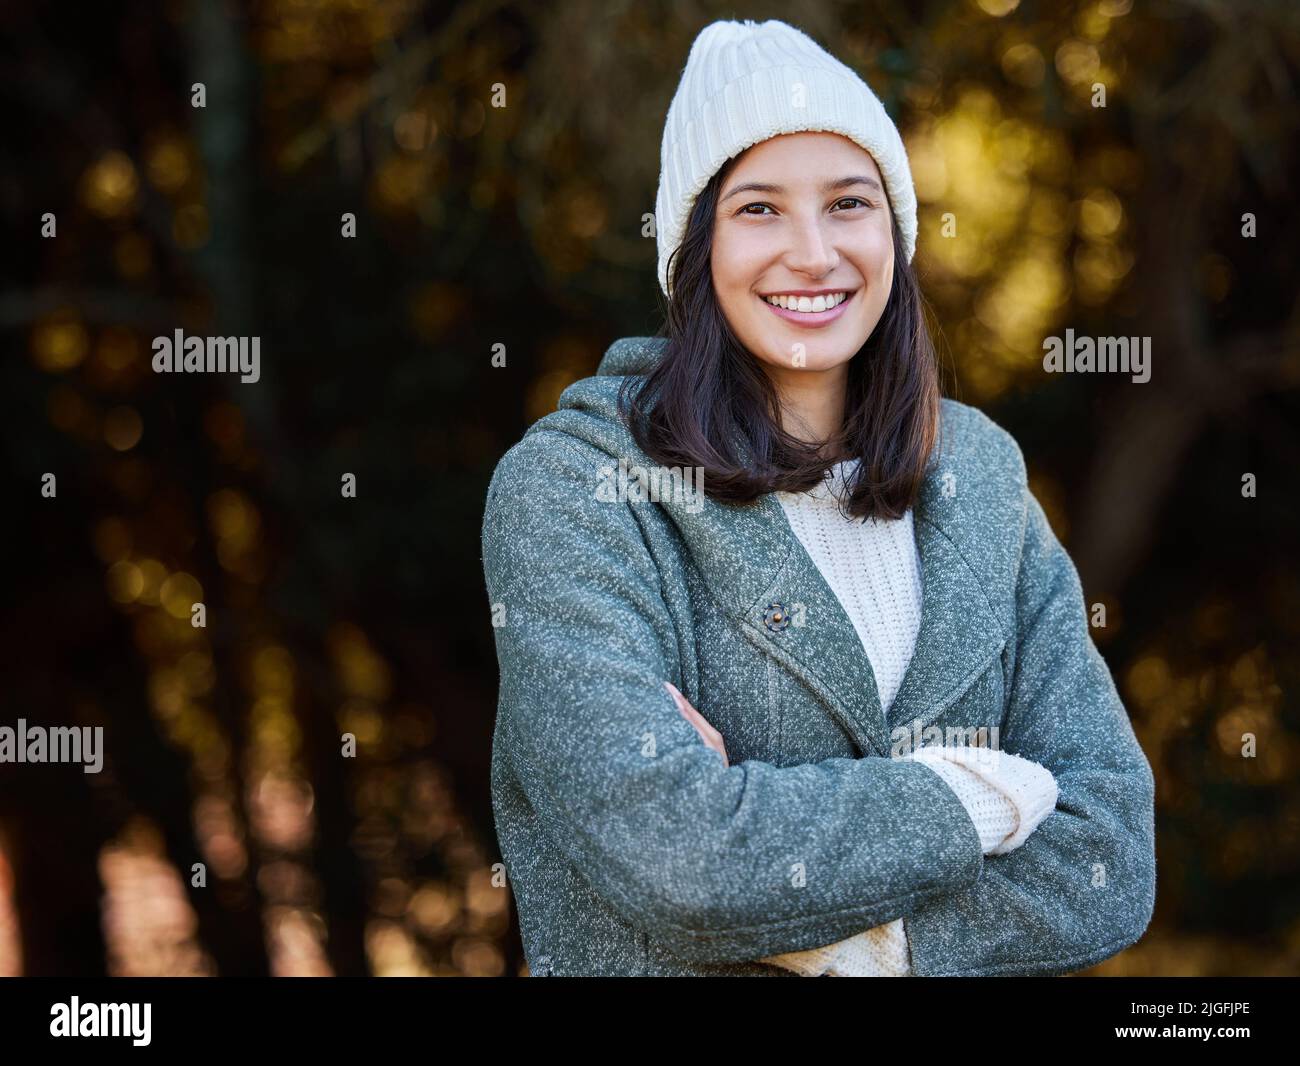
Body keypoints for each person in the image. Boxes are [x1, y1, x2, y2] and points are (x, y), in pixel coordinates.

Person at [482, 17, 1156, 977]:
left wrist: (849, 934)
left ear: (895, 232)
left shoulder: (979, 475)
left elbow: (1112, 858)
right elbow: (681, 857)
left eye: (849, 203)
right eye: (759, 209)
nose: (812, 253)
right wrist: (974, 795)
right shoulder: (578, 491)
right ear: (695, 246)